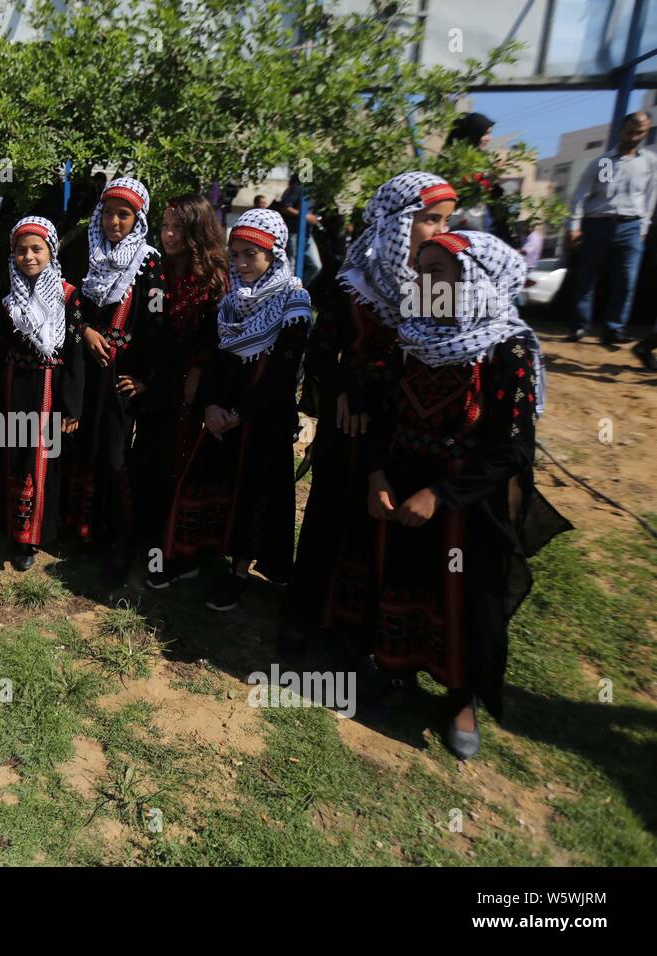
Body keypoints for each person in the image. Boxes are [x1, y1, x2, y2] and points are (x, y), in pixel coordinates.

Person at [368, 231, 570, 759]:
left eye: (439, 273)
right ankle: (397, 674)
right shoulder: (408, 338)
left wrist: (441, 494)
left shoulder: (508, 349)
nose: (424, 283)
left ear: (476, 280)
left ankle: (461, 698)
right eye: (421, 271)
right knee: (404, 577)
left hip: (467, 505)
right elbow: (382, 415)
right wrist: (378, 475)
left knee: (465, 596)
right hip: (404, 485)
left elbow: (513, 450)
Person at [281, 171, 456, 659]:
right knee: (329, 515)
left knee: (382, 525)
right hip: (349, 424)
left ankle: (364, 629)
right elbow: (318, 352)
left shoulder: (438, 286)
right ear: (397, 222)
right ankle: (305, 612)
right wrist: (345, 389)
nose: (440, 231)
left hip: (407, 430)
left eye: (446, 221)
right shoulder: (351, 283)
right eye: (429, 220)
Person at [157, 208, 310, 611]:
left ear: (273, 256)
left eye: (250, 255)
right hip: (221, 415)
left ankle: (239, 572)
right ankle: (190, 558)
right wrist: (210, 405)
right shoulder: (230, 301)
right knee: (207, 485)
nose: (241, 264)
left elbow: (282, 374)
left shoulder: (294, 302)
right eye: (236, 254)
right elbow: (217, 358)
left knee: (252, 496)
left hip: (263, 419)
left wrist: (239, 412)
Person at [70, 176, 165, 585]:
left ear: (138, 218)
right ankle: (86, 531)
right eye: (107, 213)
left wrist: (146, 378)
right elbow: (66, 300)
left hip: (121, 376)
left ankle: (120, 541)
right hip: (86, 370)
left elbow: (158, 325)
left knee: (115, 457)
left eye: (123, 214)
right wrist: (86, 331)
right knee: (84, 448)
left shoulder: (147, 262)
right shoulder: (86, 251)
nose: (113, 222)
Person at [0, 216, 85, 571]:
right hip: (14, 387)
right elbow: (1, 351)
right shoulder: (8, 298)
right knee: (12, 454)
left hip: (48, 389)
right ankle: (10, 527)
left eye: (36, 249)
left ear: (51, 251)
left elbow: (74, 352)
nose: (28, 257)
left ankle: (31, 537)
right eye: (20, 250)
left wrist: (72, 405)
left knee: (40, 458)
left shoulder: (68, 295)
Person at [142, 193, 229, 588]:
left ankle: (183, 556)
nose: (169, 233)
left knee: (185, 468)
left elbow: (219, 338)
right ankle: (159, 543)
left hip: (196, 391)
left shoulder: (214, 278)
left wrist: (197, 371)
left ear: (196, 230)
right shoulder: (161, 269)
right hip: (162, 384)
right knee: (159, 463)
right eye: (164, 225)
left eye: (178, 226)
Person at [567, 110, 657, 344]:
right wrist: (574, 225)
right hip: (599, 223)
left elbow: (649, 198)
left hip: (632, 225)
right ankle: (579, 326)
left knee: (626, 280)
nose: (634, 136)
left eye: (640, 132)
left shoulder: (649, 163)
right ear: (622, 131)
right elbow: (582, 195)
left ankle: (614, 328)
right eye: (631, 131)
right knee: (587, 277)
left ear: (645, 132)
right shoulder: (605, 162)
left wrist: (644, 228)